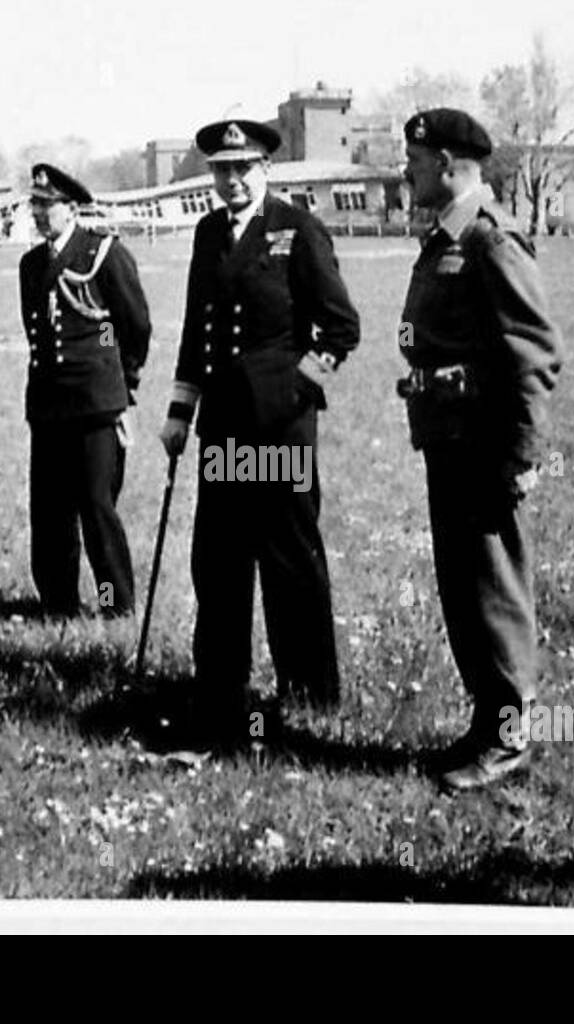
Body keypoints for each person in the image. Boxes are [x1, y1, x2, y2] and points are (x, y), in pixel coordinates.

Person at [158, 118, 360, 748]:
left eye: (244, 169)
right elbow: (198, 327)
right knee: (217, 558)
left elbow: (341, 328)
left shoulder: (298, 231)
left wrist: (293, 391)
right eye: (222, 169)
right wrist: (179, 410)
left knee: (289, 557)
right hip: (223, 429)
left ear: (265, 170)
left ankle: (309, 692)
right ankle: (220, 682)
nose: (233, 181)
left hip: (279, 433)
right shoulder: (208, 233)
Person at [397, 109, 563, 792]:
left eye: (413, 160)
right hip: (448, 439)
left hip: (485, 445)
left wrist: (522, 455)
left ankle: (509, 737)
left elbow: (534, 354)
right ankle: (487, 721)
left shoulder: (492, 241)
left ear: (446, 163)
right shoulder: (447, 238)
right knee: (464, 589)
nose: (405, 172)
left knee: (495, 589)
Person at [19, 163, 151, 619]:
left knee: (96, 509)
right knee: (50, 512)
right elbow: (35, 332)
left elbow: (131, 326)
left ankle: (114, 604)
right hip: (49, 405)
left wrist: (121, 384)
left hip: (96, 405)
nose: (38, 213)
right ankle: (58, 605)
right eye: (33, 204)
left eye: (46, 205)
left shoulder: (103, 253)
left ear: (71, 207)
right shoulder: (31, 265)